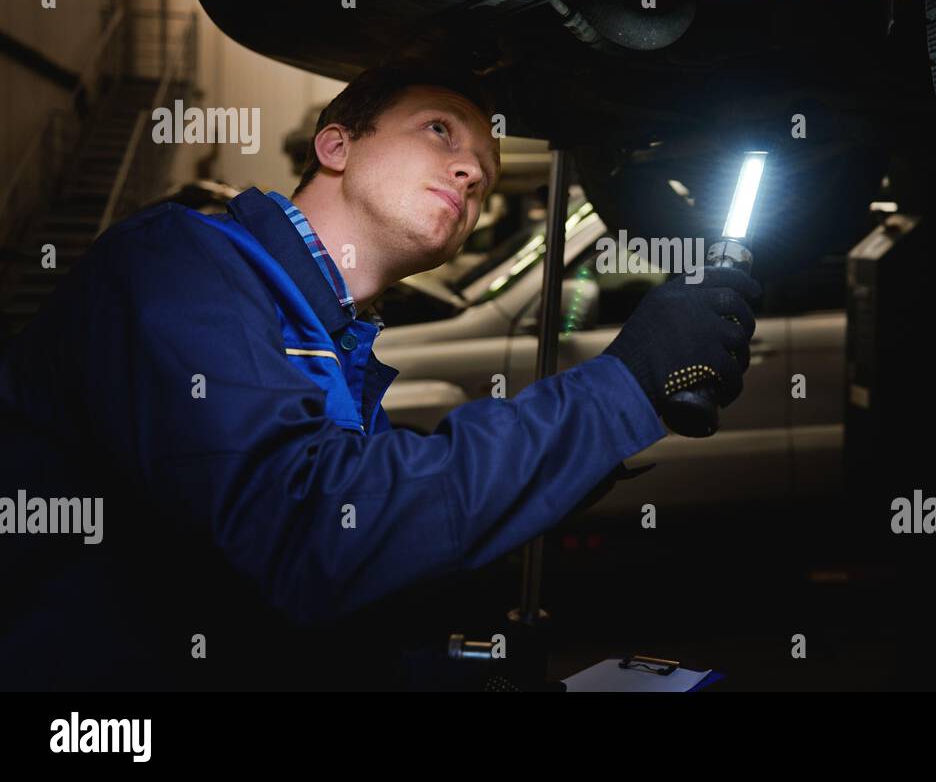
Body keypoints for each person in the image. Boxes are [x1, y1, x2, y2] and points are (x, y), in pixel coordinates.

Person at [0, 59, 760, 690]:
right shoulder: (181, 263)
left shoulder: (331, 342)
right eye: (440, 131)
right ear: (336, 145)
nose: (471, 171)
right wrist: (619, 388)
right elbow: (305, 531)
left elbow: (321, 573)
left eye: (485, 176)